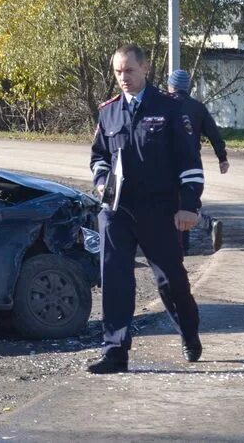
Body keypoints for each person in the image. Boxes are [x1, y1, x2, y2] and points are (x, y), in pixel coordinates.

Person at [87, 45, 205, 374]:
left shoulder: (168, 109)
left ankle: (189, 332)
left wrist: (188, 206)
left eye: (129, 71)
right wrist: (101, 181)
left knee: (171, 281)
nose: (123, 78)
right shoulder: (108, 111)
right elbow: (98, 156)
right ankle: (115, 352)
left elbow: (189, 163)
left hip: (159, 210)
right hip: (116, 210)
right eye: (118, 72)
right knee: (115, 279)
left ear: (145, 68)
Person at [167, 69, 227, 254]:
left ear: (171, 86)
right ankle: (202, 230)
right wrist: (222, 158)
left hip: (167, 163)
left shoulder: (164, 105)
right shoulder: (198, 108)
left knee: (170, 204)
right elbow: (214, 134)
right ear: (187, 87)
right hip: (192, 163)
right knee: (187, 203)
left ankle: (178, 246)